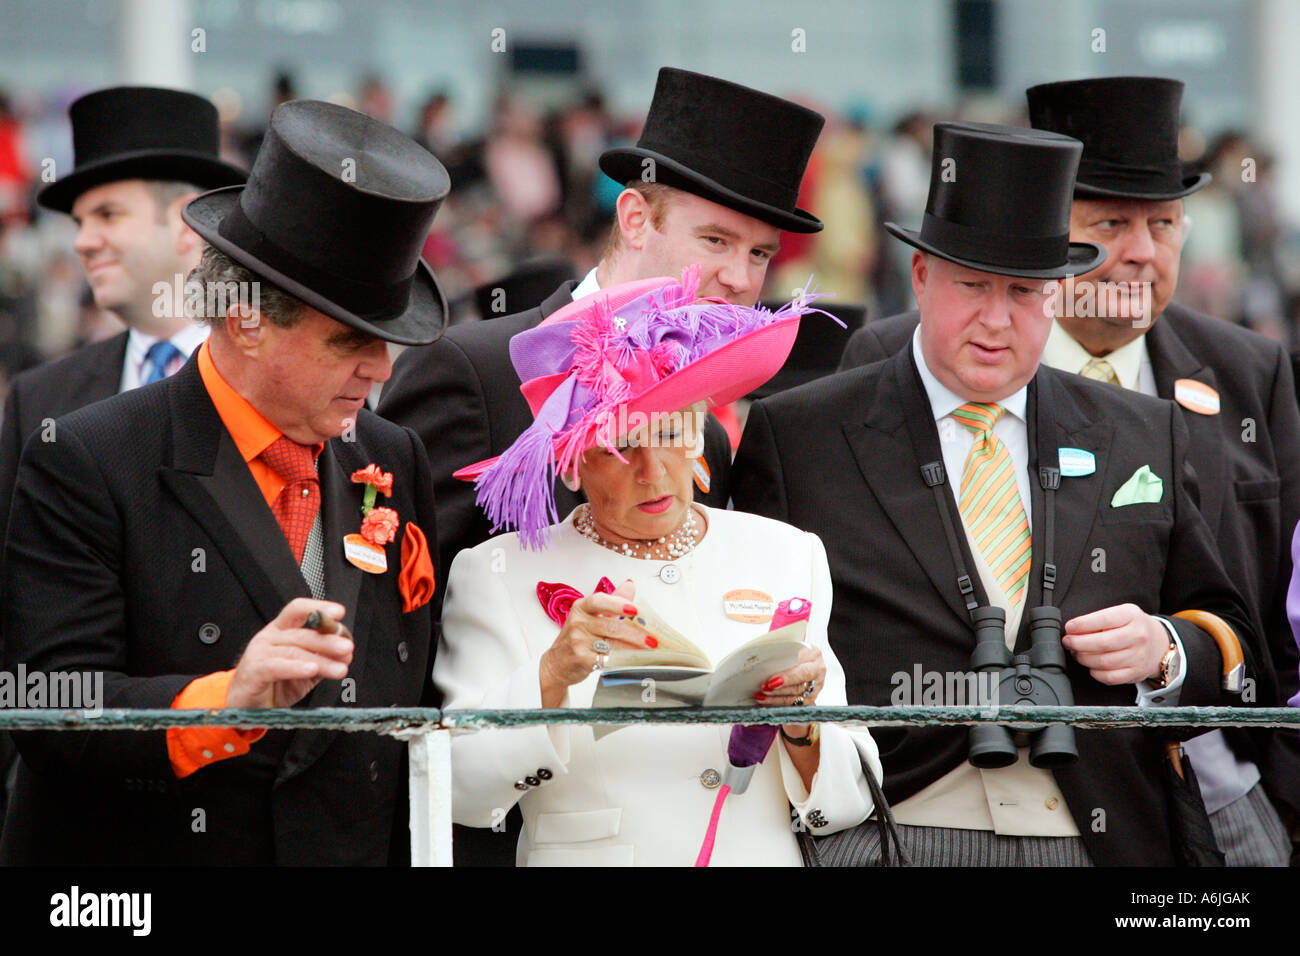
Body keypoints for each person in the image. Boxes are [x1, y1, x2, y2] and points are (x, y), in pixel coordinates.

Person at [733, 122, 1260, 866]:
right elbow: (750, 637)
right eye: (972, 285)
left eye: (1023, 292)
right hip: (887, 823)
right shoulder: (802, 436)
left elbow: (1233, 638)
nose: (995, 319)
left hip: (1095, 828)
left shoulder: (1141, 432)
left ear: (1058, 293)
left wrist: (1161, 648)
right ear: (919, 277)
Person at [0, 100, 445, 865]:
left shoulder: (393, 453)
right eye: (351, 343)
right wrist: (226, 698)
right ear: (245, 320)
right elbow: (45, 705)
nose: (380, 370)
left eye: (389, 341)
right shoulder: (89, 457)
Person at [434, 269, 880, 866]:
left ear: (700, 431)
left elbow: (849, 802)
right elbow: (459, 790)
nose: (653, 471)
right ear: (572, 463)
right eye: (621, 449)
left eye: (671, 433)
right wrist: (552, 675)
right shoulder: (496, 572)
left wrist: (799, 725)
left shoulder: (787, 553)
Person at [379, 67, 825, 580]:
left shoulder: (708, 434)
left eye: (760, 253)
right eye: (715, 241)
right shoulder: (470, 370)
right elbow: (399, 607)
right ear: (635, 219)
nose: (740, 279)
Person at [0, 85, 246, 823]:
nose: (82, 239)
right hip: (84, 811)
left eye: (107, 214)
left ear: (185, 222)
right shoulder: (41, 399)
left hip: (243, 793)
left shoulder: (278, 383)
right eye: (79, 221)